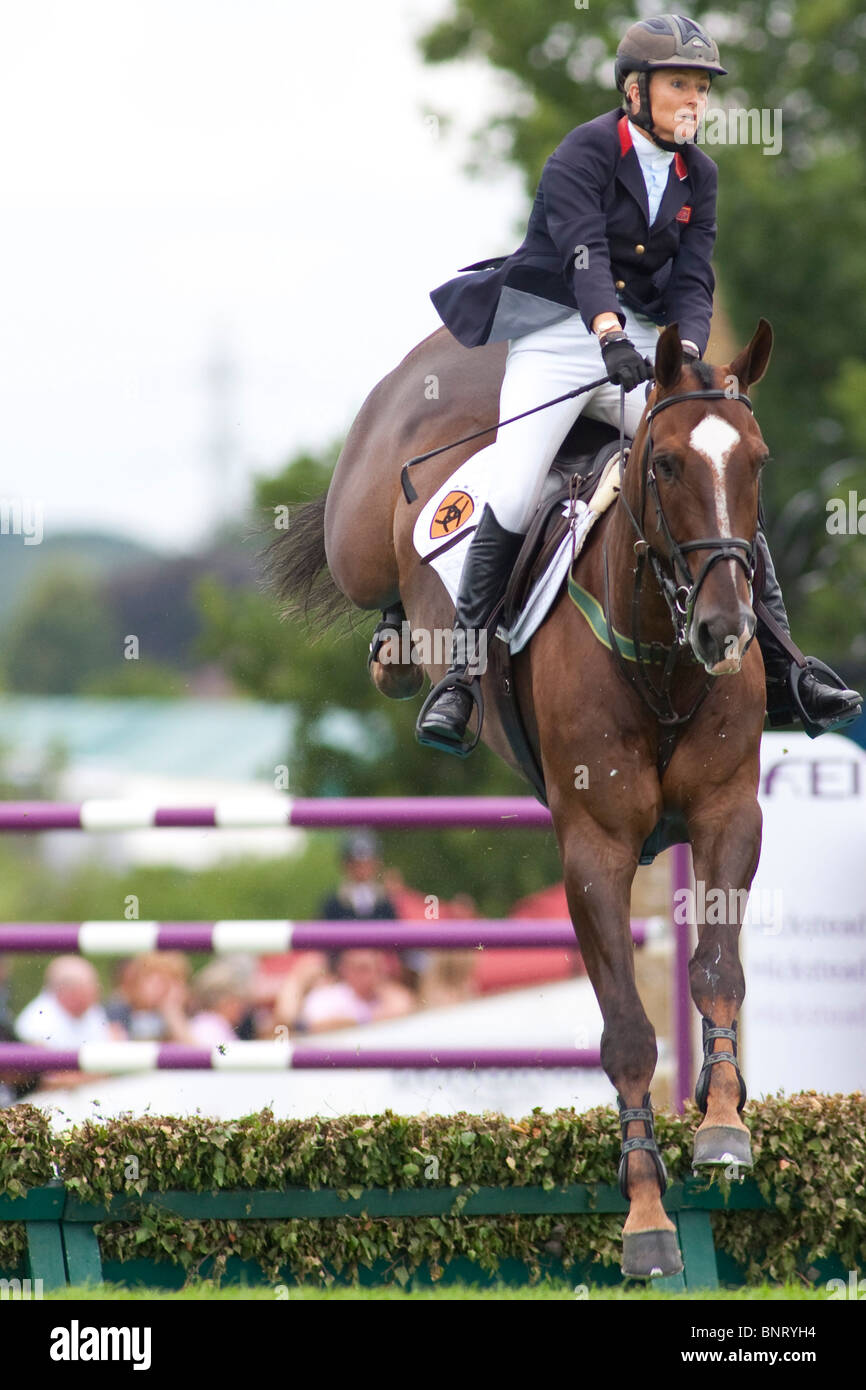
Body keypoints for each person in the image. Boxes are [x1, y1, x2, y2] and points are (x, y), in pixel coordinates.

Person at [415, 13, 861, 755]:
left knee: (715, 471)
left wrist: (683, 354)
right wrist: (609, 335)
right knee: (519, 485)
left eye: (701, 88)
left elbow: (693, 276)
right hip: (562, 336)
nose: (694, 100)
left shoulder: (702, 175)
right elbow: (585, 253)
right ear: (634, 90)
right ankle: (461, 675)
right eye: (680, 84)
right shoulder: (582, 152)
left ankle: (785, 667)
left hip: (647, 347)